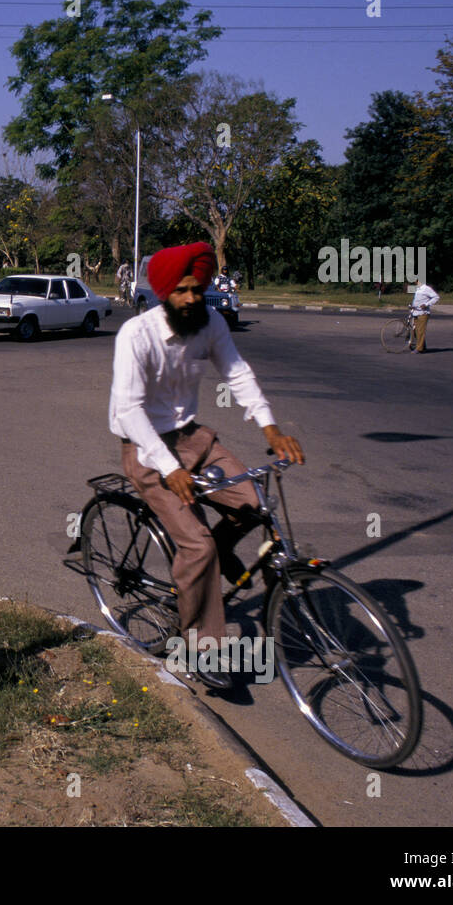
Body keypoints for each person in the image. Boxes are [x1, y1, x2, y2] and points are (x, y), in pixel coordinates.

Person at [109, 241, 304, 690]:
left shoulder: (210, 321)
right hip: (145, 446)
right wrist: (167, 467)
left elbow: (237, 372)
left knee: (252, 504)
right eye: (182, 291)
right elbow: (128, 413)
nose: (192, 298)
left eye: (198, 288)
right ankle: (197, 645)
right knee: (197, 546)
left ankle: (213, 560)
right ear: (163, 293)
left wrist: (269, 428)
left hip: (193, 437)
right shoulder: (135, 336)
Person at [410, 280, 440, 353]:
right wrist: (412, 306)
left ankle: (419, 348)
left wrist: (426, 304)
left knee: (420, 331)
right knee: (416, 331)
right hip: (416, 312)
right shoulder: (418, 289)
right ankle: (423, 346)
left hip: (423, 313)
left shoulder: (426, 288)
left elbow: (436, 297)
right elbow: (417, 300)